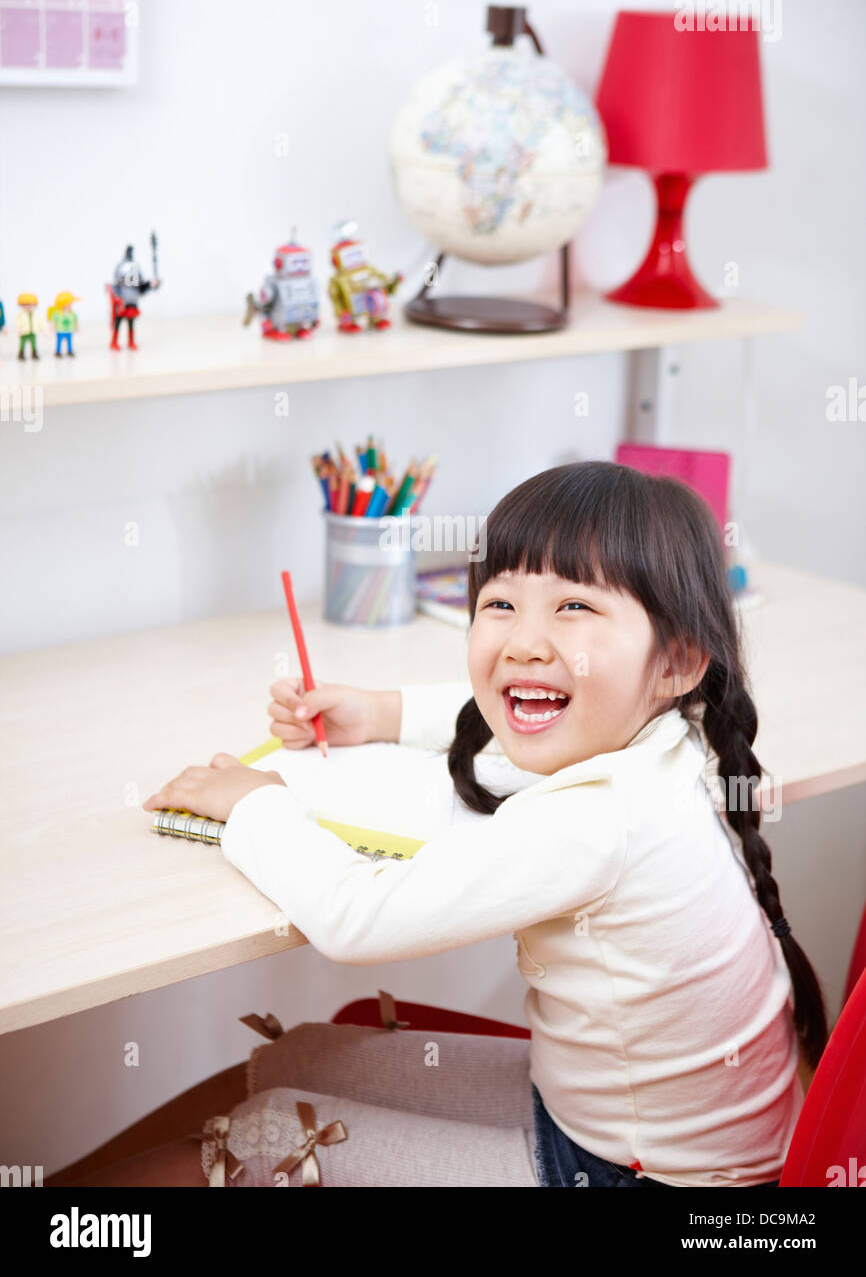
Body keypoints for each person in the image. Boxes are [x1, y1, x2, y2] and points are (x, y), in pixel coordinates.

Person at [68, 461, 827, 1187]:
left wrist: (254, 801)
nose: (523, 640)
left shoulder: (595, 821)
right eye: (501, 604)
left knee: (270, 1130)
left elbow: (358, 920)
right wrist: (380, 710)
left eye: (575, 606)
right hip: (645, 1130)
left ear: (676, 661)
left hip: (630, 1175)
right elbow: (511, 704)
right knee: (296, 1059)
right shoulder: (673, 730)